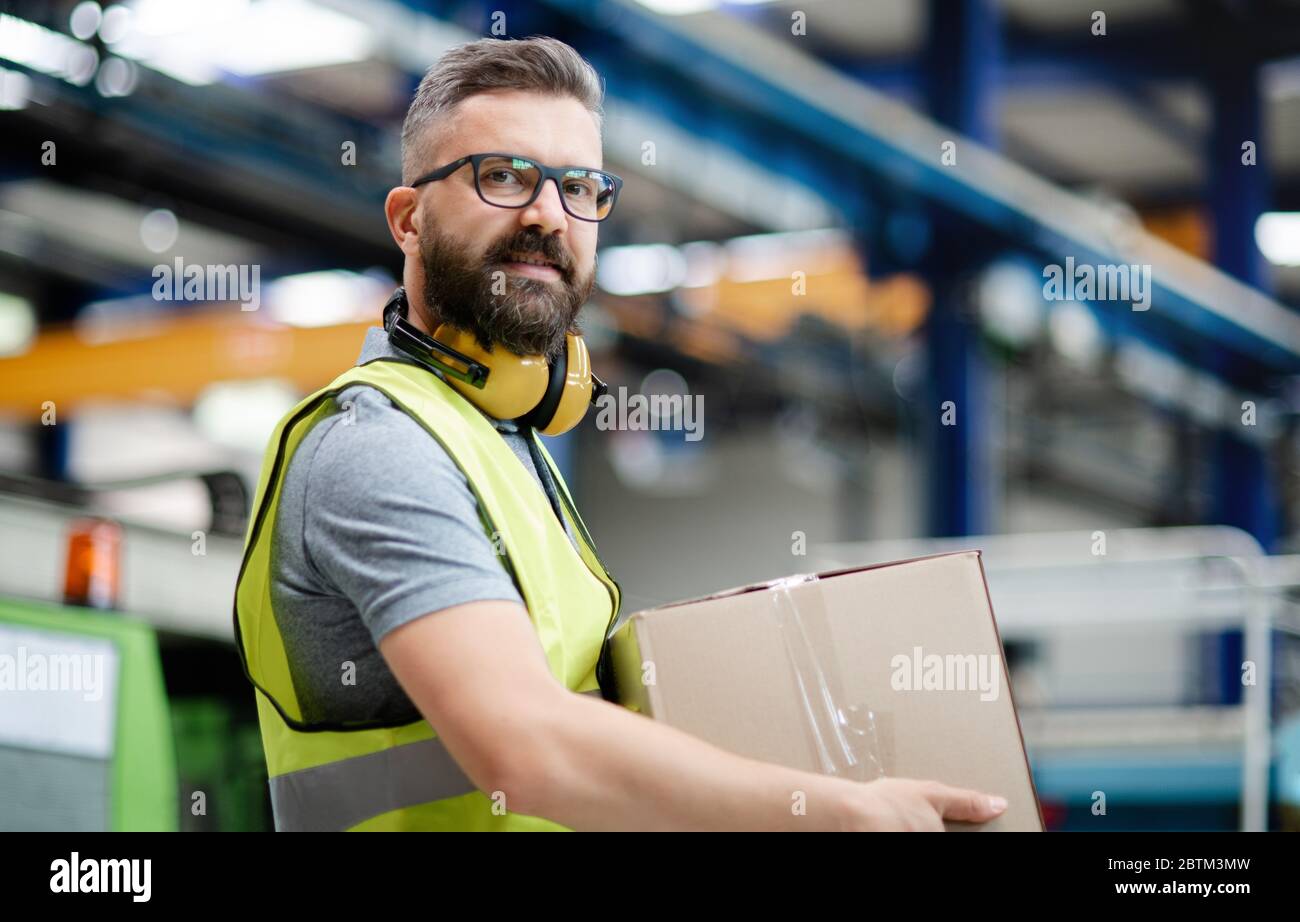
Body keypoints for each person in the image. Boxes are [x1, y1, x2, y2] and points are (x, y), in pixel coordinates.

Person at [234, 36, 1010, 832]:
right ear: (408, 219)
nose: (547, 215)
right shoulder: (377, 446)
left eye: (579, 188)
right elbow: (528, 748)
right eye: (502, 176)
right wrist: (836, 812)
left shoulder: (513, 447)